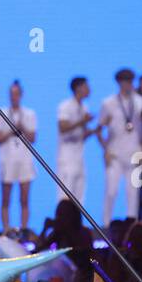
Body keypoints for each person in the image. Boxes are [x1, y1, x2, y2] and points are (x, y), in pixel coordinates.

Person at [97, 68, 142, 226]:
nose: (128, 84)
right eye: (125, 81)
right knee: (111, 190)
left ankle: (132, 225)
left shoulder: (141, 102)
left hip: (134, 152)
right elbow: (99, 129)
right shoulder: (108, 103)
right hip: (115, 153)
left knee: (132, 192)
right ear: (119, 82)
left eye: (130, 81)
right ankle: (105, 225)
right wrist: (105, 150)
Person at [0, 81, 37, 235]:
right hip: (8, 160)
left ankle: (23, 229)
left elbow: (33, 137)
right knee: (6, 198)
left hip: (25, 160)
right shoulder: (1, 113)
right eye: (12, 94)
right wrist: (11, 130)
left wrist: (22, 127)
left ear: (21, 95)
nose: (14, 97)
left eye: (17, 93)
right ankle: (6, 230)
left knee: (24, 198)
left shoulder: (29, 114)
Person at [55, 76, 95, 207]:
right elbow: (63, 127)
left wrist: (97, 129)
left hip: (79, 156)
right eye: (86, 86)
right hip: (67, 156)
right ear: (78, 88)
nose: (89, 89)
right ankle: (63, 224)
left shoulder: (84, 107)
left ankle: (77, 225)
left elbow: (82, 134)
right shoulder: (65, 106)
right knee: (65, 194)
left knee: (79, 194)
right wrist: (82, 121)